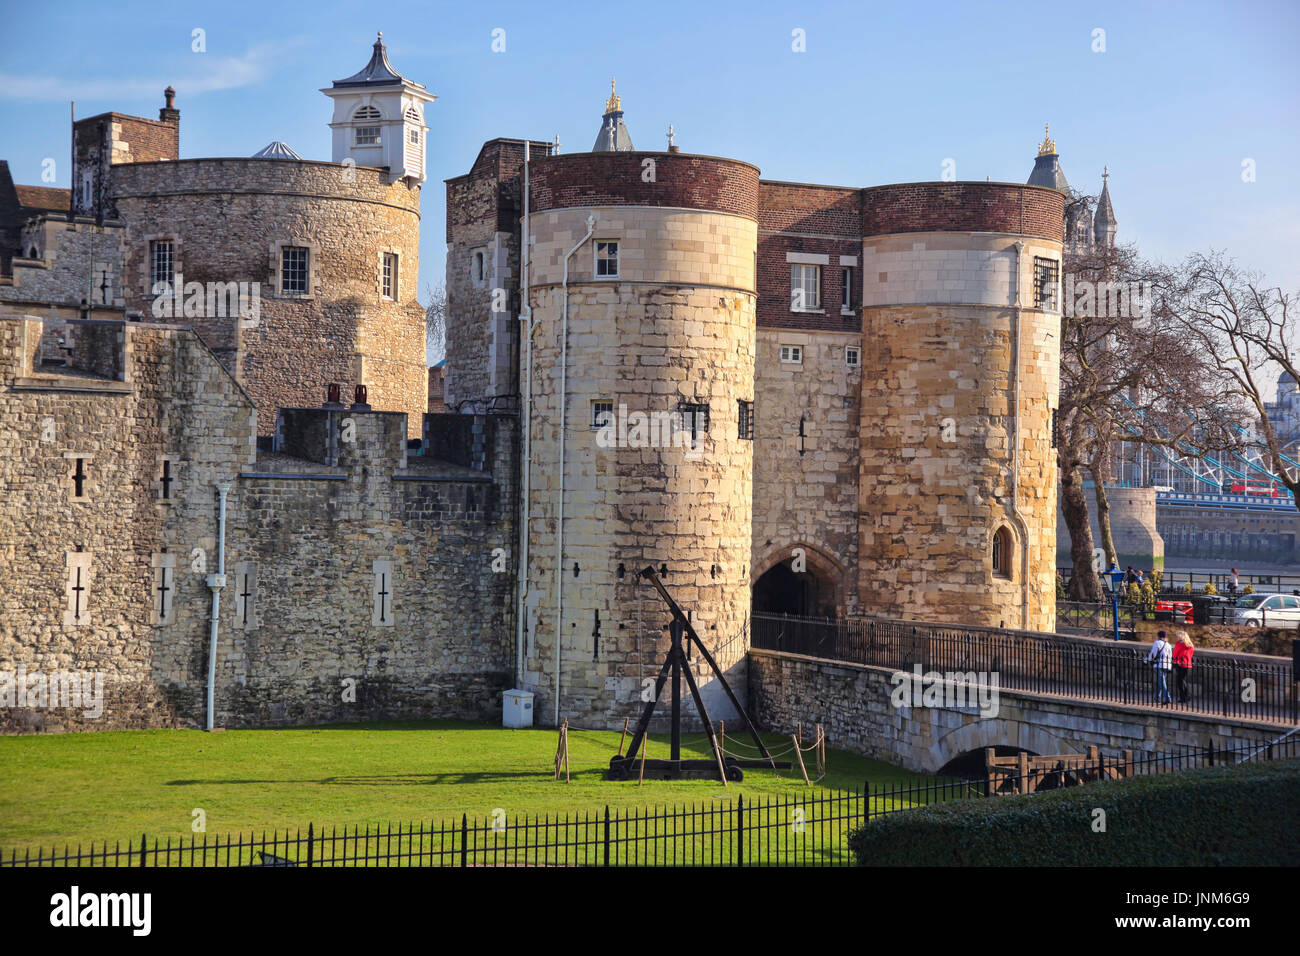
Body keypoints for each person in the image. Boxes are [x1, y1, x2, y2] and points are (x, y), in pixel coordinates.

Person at [1144, 630, 1173, 705]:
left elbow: (1153, 653)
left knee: (1162, 682)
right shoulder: (1169, 645)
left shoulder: (1157, 643)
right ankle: (1157, 697)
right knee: (1161, 681)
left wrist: (1146, 660)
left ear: (1159, 636)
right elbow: (1170, 657)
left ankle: (1167, 697)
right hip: (1167, 665)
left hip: (1159, 665)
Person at [1171, 631, 1194, 704]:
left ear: (1181, 637)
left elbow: (1175, 653)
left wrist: (1174, 660)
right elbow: (1191, 655)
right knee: (1183, 680)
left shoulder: (1179, 643)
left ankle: (1183, 697)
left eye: (1178, 636)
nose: (1177, 638)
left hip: (1180, 664)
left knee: (1180, 681)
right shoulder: (1190, 645)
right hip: (1188, 664)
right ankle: (1187, 696)